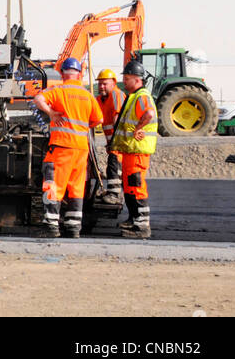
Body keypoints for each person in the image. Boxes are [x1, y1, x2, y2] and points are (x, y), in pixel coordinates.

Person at [33, 57, 103, 238]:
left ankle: (51, 226)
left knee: (53, 184)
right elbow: (99, 120)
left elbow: (38, 98)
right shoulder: (87, 95)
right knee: (76, 188)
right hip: (81, 149)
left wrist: (50, 113)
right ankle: (73, 228)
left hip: (61, 146)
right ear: (79, 74)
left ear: (62, 73)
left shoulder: (58, 90)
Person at [112, 61, 158, 239]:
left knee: (137, 187)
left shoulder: (142, 96)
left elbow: (149, 114)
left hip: (137, 152)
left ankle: (142, 227)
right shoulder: (134, 96)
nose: (124, 81)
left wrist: (139, 128)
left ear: (137, 80)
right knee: (130, 187)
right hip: (131, 151)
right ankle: (134, 220)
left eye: (127, 78)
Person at [95, 69, 126, 204]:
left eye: (105, 84)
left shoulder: (116, 95)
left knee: (114, 166)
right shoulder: (101, 99)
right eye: (100, 84)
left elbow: (117, 119)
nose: (101, 86)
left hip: (119, 141)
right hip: (112, 141)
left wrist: (115, 141)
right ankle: (116, 192)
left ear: (113, 83)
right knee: (115, 167)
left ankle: (114, 194)